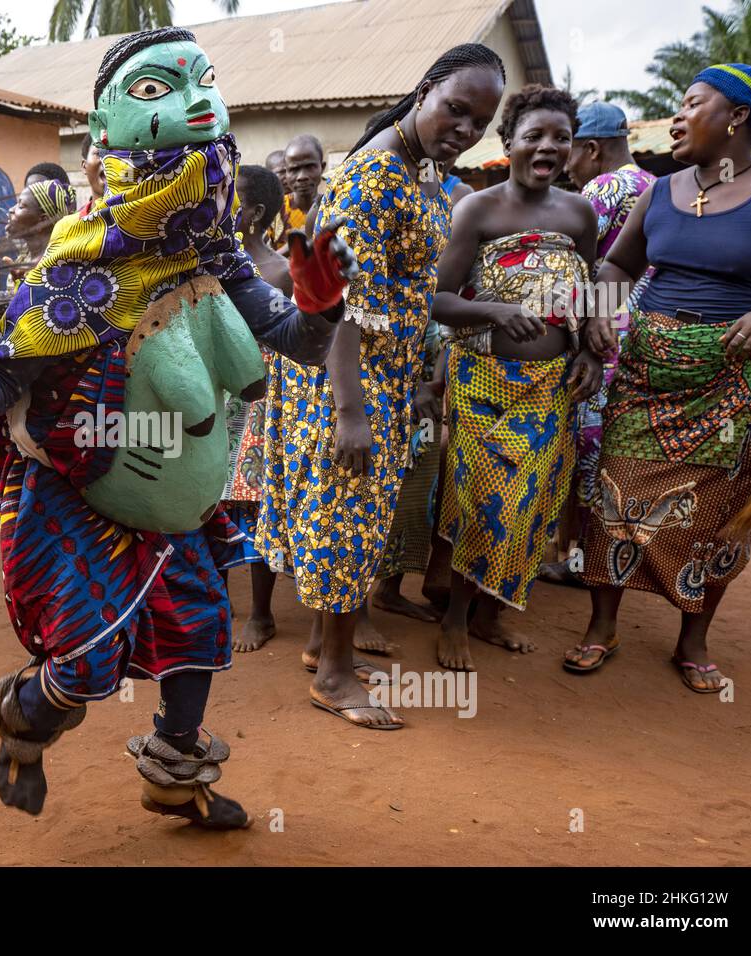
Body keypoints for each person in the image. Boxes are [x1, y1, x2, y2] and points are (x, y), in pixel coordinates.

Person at [0, 27, 357, 829]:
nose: (199, 101)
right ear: (107, 132)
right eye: (160, 90)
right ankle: (22, 721)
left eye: (205, 80)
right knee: (87, 665)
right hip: (78, 484)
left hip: (178, 485)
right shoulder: (76, 269)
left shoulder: (217, 255)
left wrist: (320, 303)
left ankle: (174, 777)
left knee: (197, 628)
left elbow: (297, 345)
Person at [257, 43, 507, 729]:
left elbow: (414, 289)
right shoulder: (373, 178)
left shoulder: (421, 172)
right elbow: (334, 302)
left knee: (358, 512)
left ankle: (320, 645)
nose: (463, 129)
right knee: (347, 514)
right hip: (347, 370)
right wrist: (349, 411)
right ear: (425, 91)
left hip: (387, 369)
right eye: (455, 108)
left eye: (478, 122)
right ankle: (335, 677)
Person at [566, 64, 751, 693]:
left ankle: (693, 637)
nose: (678, 118)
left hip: (736, 381)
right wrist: (600, 317)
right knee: (614, 495)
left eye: (693, 104)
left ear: (737, 116)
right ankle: (602, 625)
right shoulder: (659, 192)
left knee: (718, 510)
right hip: (648, 369)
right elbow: (616, 267)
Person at [432, 85, 603, 671]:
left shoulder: (580, 214)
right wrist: (497, 311)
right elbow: (436, 300)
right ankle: (455, 617)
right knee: (479, 499)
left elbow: (594, 293)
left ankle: (490, 615)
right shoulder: (477, 210)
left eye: (561, 138)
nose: (548, 147)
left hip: (554, 385)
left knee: (530, 502)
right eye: (534, 135)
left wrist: (591, 355)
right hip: (482, 381)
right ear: (508, 144)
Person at [539, 102, 658, 587]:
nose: (566, 163)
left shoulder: (605, 188)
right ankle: (590, 555)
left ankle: (579, 559)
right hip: (640, 332)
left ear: (592, 147)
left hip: (603, 333)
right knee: (611, 445)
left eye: (571, 151)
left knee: (587, 444)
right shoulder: (655, 185)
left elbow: (574, 263)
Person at [373, 168, 476, 621]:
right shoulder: (382, 250)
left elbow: (447, 330)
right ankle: (353, 612)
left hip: (426, 400)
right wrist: (412, 384)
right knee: (373, 498)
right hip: (380, 391)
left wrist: (433, 382)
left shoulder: (436, 264)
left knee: (415, 497)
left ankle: (389, 590)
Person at [227, 163, 291, 653]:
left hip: (259, 403)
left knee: (253, 504)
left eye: (235, 200)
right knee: (209, 499)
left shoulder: (280, 272)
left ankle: (263, 613)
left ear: (257, 213)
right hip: (213, 396)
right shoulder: (210, 266)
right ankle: (213, 596)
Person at [78, 134, 105, 215]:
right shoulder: (68, 226)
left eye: (117, 154)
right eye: (98, 153)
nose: (109, 159)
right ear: (84, 166)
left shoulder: (142, 224)